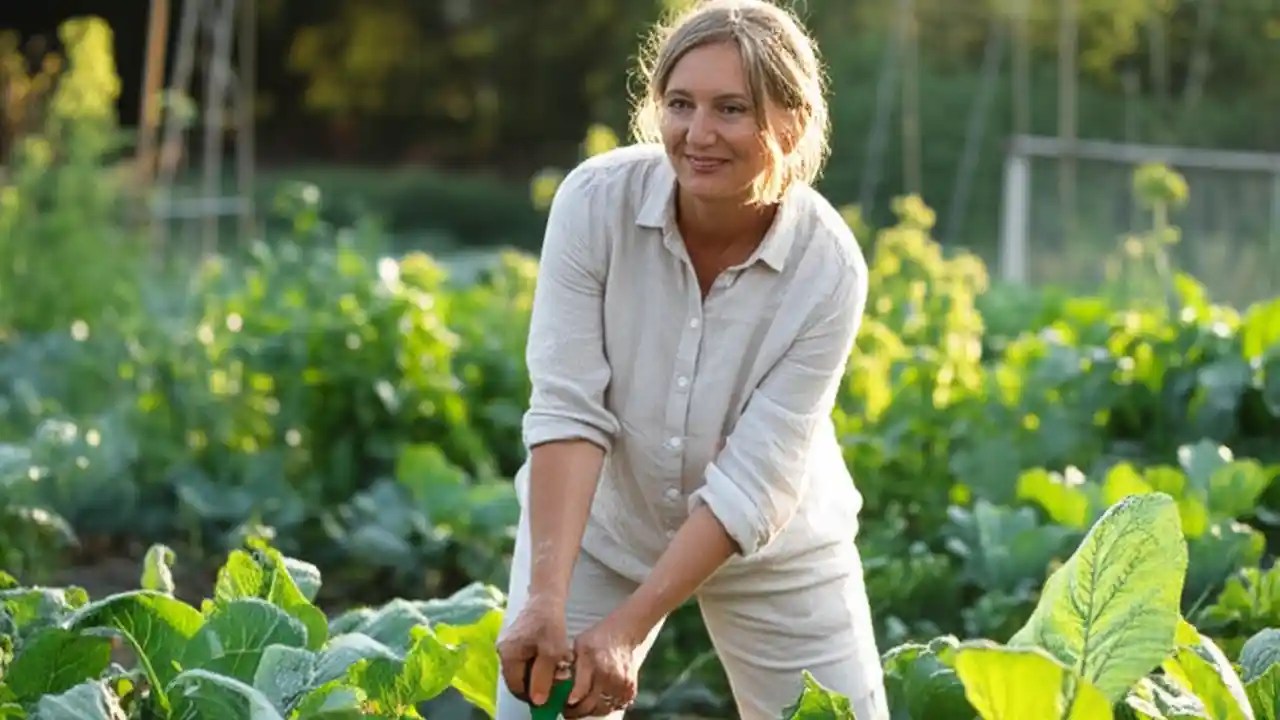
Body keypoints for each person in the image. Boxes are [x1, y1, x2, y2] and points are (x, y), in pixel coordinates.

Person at [494, 1, 886, 718]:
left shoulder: (827, 267)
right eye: (680, 104)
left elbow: (754, 481)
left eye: (731, 109)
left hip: (770, 547)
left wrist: (628, 628)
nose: (698, 134)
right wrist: (547, 599)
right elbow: (568, 410)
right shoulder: (595, 205)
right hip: (600, 529)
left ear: (792, 123)